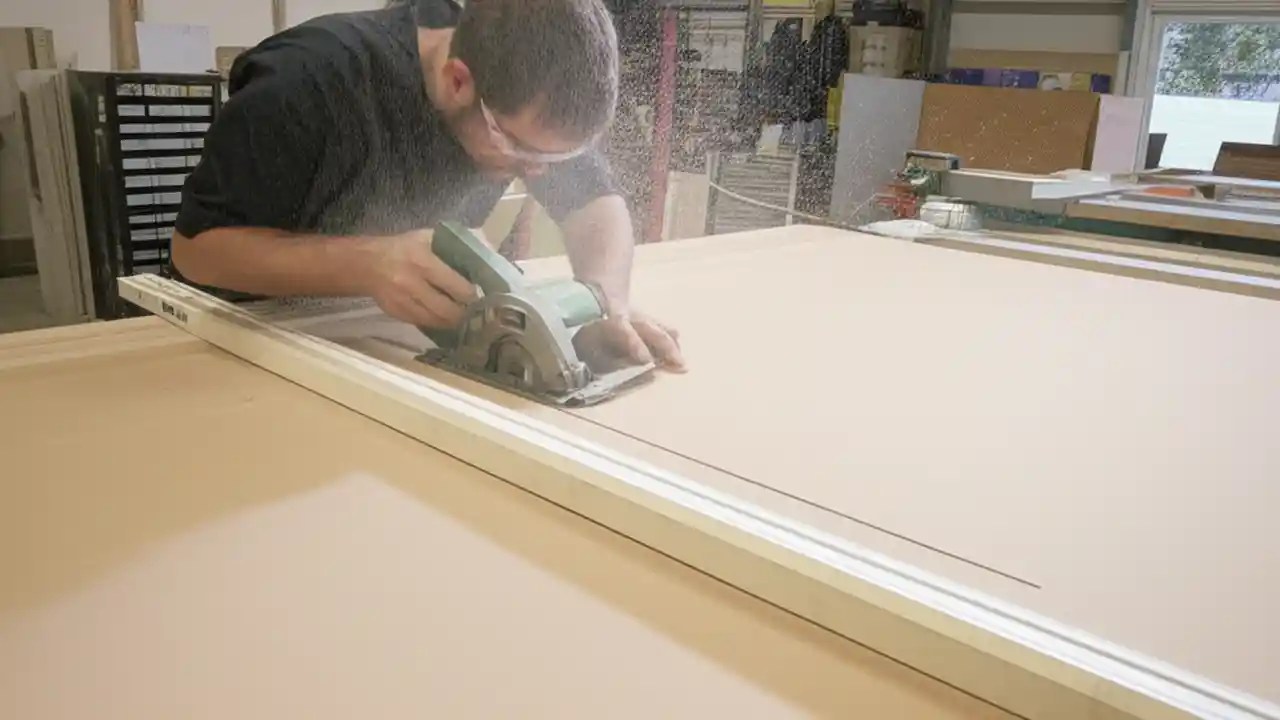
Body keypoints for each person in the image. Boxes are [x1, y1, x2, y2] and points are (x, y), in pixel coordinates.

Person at [171, 0, 685, 371]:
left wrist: (604, 303)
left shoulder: (530, 96)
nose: (538, 172)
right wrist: (369, 264)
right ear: (459, 81)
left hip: (375, 344)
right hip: (240, 340)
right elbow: (195, 250)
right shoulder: (306, 81)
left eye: (557, 157)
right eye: (519, 150)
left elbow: (596, 203)